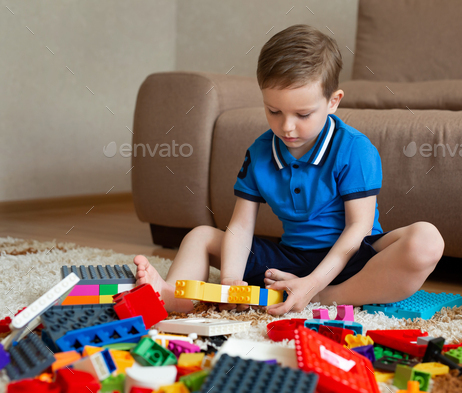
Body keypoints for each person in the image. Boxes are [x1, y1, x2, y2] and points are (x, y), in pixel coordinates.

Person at [134, 24, 444, 316]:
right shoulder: (259, 152)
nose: (287, 126)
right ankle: (172, 296)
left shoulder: (354, 148)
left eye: (303, 114)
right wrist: (231, 280)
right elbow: (240, 227)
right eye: (274, 111)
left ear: (333, 102)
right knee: (201, 235)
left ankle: (326, 296)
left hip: (352, 259)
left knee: (427, 241)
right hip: (289, 259)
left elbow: (357, 229)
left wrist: (313, 285)